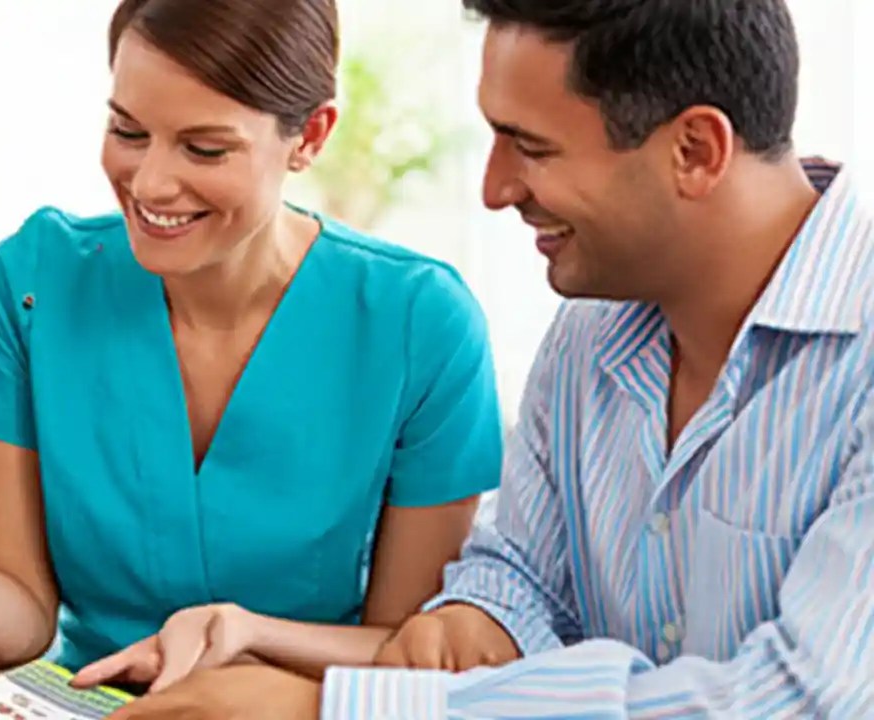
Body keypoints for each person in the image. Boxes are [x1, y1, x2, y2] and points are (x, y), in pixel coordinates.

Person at [102, 0, 874, 717]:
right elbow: (524, 579)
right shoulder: (591, 338)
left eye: (530, 147)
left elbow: (804, 698)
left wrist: (325, 708)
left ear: (695, 150)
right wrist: (478, 616)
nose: (495, 188)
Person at [0, 0, 503, 686]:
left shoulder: (422, 323)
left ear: (310, 135)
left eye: (205, 148)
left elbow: (408, 654)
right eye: (128, 130)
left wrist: (246, 636)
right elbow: (24, 619)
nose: (150, 184)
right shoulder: (34, 282)